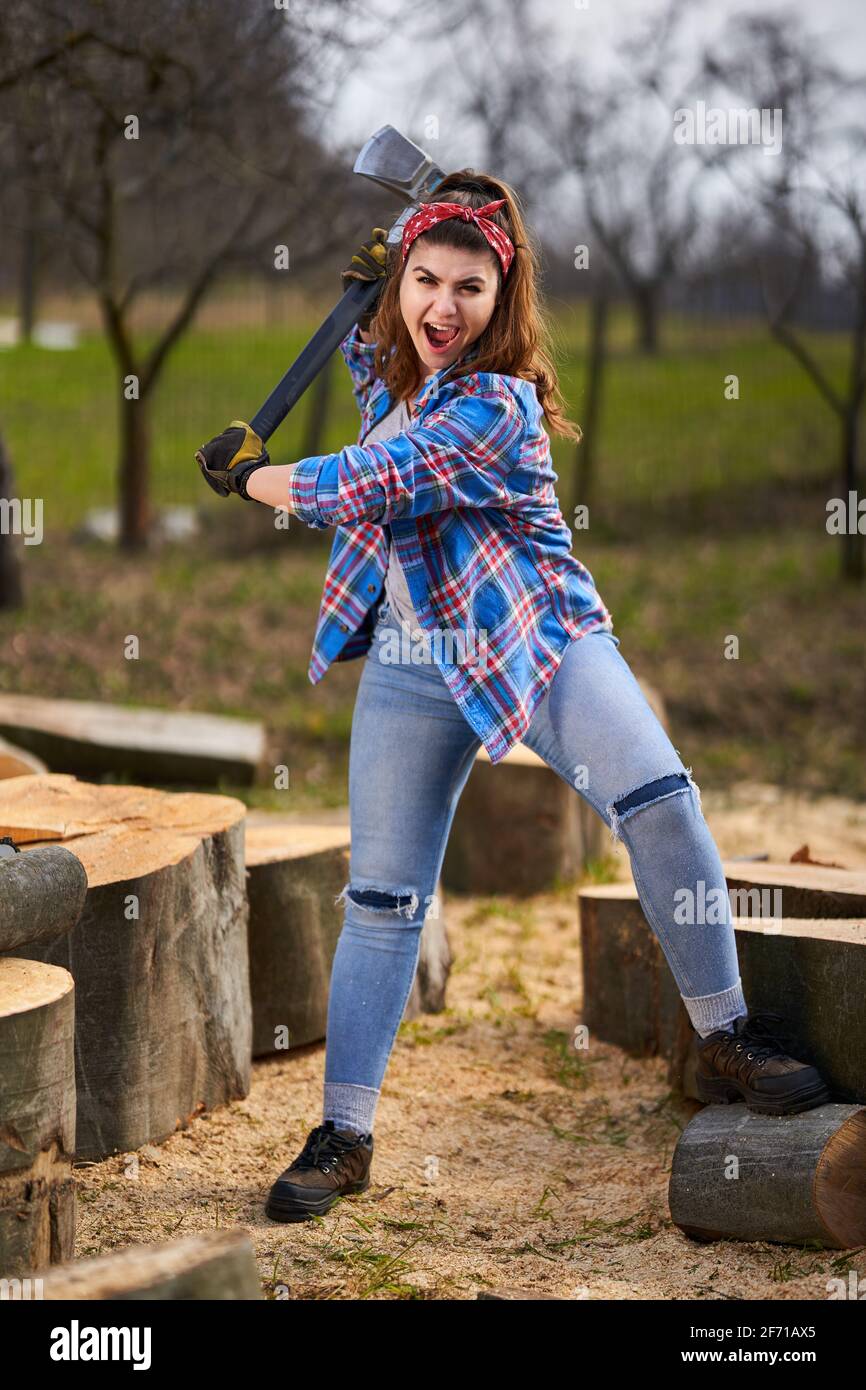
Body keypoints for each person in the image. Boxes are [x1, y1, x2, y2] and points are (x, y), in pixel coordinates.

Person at [195, 170, 832, 1225]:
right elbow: (373, 378)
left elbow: (371, 482)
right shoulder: (397, 367)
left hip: (532, 637)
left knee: (659, 794)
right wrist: (360, 303)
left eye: (471, 288)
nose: (443, 308)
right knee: (383, 901)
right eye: (424, 280)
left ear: (508, 295)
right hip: (410, 660)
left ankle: (723, 1033)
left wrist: (255, 476)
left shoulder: (495, 405)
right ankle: (344, 1135)